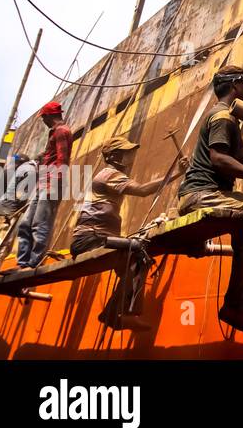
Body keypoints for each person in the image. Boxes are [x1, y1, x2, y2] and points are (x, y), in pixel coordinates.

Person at [177, 65, 243, 334]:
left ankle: (233, 307)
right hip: (203, 194)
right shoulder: (223, 116)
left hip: (206, 194)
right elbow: (219, 159)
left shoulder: (228, 119)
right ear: (235, 85)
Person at [70, 136, 188, 332]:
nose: (130, 157)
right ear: (115, 156)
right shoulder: (110, 174)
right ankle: (124, 314)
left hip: (95, 238)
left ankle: (111, 313)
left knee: (131, 263)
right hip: (91, 239)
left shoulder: (108, 174)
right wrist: (177, 173)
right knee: (139, 254)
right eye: (126, 153)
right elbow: (142, 190)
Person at [16, 101, 72, 269]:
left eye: (43, 118)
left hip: (51, 184)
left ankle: (34, 262)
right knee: (25, 224)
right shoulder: (55, 133)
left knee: (39, 224)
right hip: (43, 183)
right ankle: (23, 263)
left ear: (49, 116)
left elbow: (63, 160)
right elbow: (53, 156)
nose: (43, 121)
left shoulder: (62, 131)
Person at [0, 154, 33, 270]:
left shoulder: (7, 172)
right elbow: (19, 197)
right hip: (5, 212)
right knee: (1, 243)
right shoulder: (16, 174)